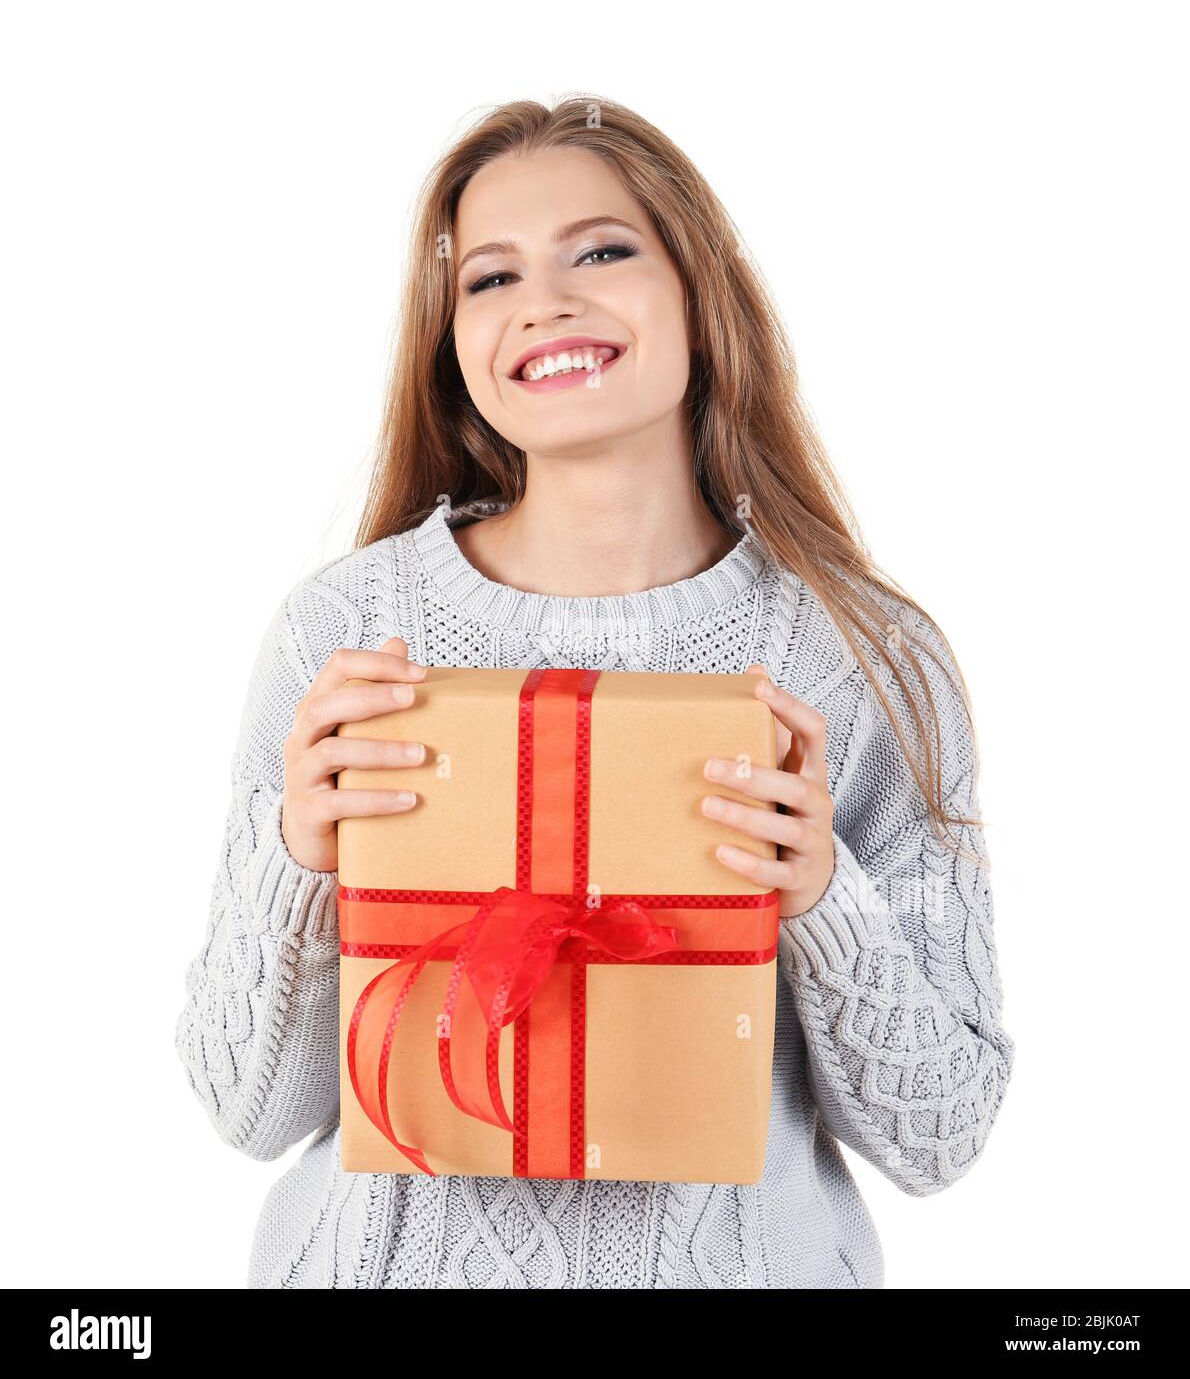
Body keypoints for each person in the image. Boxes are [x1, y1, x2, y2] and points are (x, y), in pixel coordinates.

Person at [174, 93, 1014, 1289]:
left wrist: (820, 895)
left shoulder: (861, 654)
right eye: (489, 278)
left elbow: (941, 1136)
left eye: (602, 251)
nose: (543, 303)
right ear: (454, 347)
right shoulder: (347, 632)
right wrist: (294, 858)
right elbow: (243, 1111)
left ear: (697, 292)